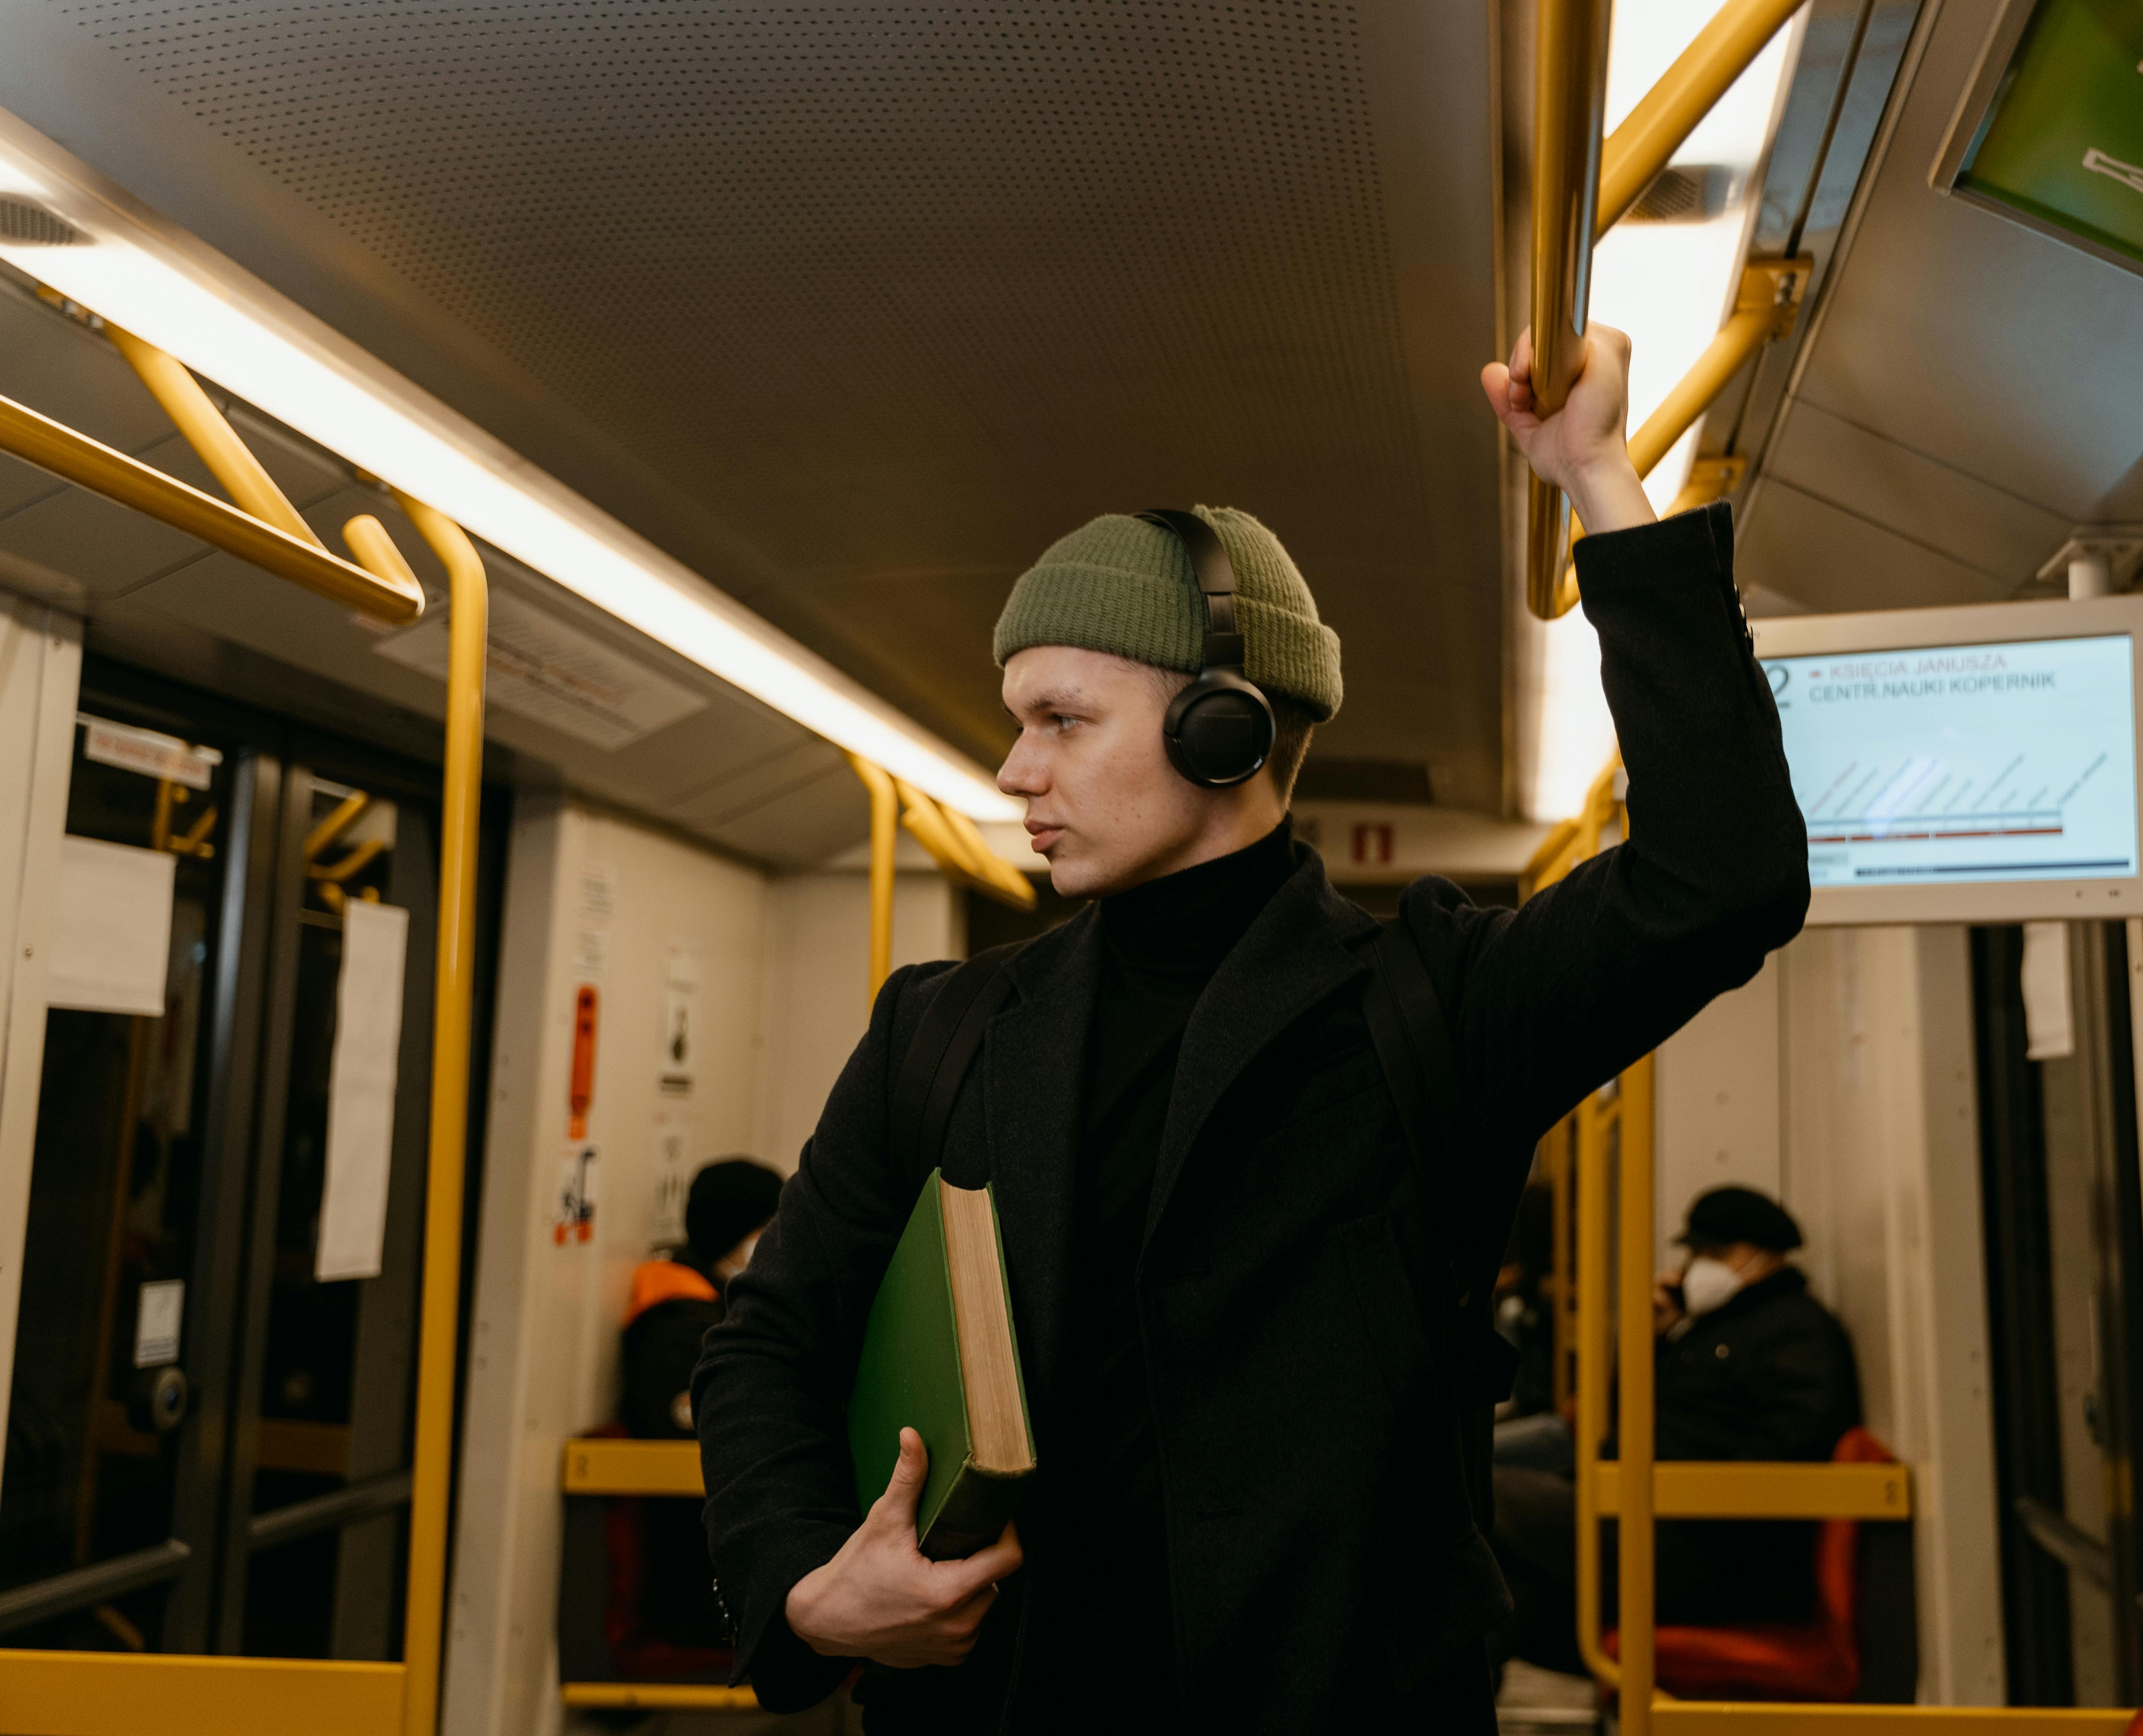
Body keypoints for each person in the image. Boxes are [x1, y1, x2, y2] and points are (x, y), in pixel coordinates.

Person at [690, 323, 1811, 1734]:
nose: (1012, 767)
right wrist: (802, 1587)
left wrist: (1597, 478)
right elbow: (769, 1338)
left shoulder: (1434, 1002)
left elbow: (1724, 877)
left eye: (1059, 718)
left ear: (1223, 726)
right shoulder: (945, 1025)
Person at [1489, 1186, 1861, 1674]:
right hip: (1651, 1515)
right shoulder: (1704, 1328)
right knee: (1500, 1588)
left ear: (1768, 1253)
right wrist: (1649, 1340)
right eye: (1693, 1254)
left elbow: (1792, 1449)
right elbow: (1629, 1424)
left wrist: (1672, 1479)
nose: (1694, 1268)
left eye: (1715, 1254)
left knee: (1475, 1488)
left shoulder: (1799, 1331)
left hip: (1711, 1544)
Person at [614, 1157, 785, 1654]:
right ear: (732, 1233)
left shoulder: (721, 1312)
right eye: (767, 1230)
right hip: (696, 1586)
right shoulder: (679, 1333)